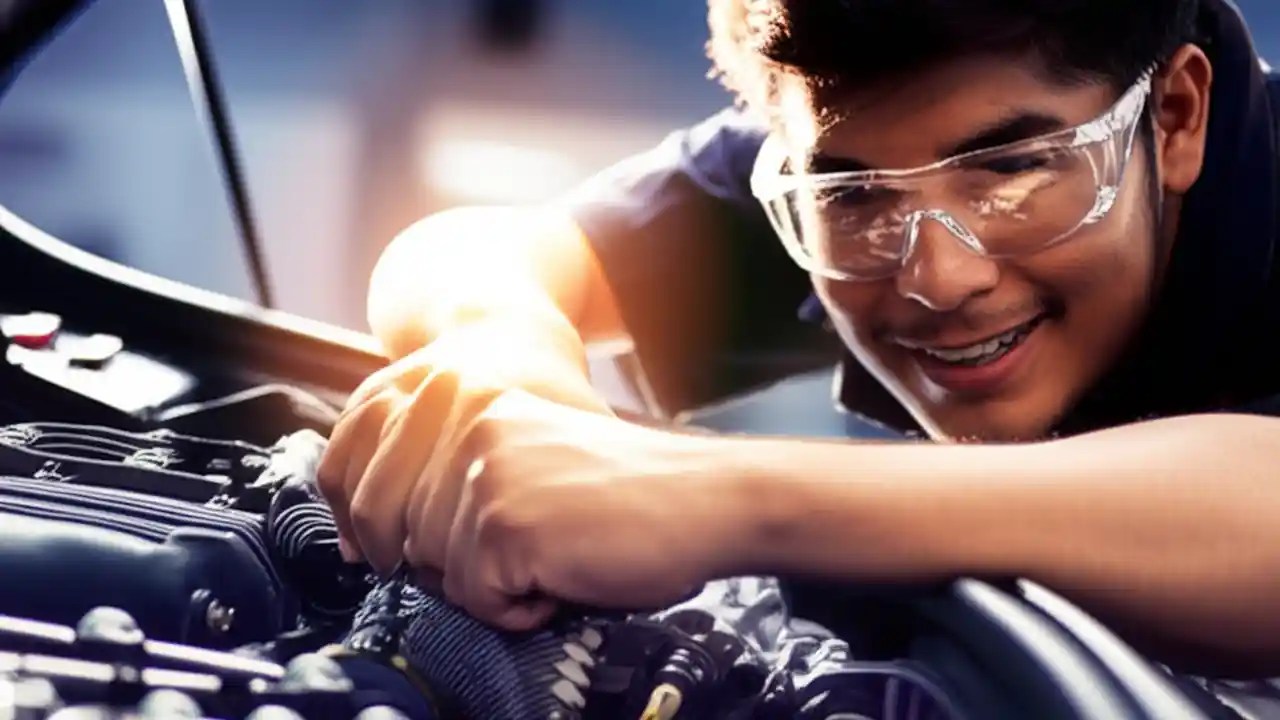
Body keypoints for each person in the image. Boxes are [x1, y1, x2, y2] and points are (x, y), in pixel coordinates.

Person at [317, 0, 1280, 676]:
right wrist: (503, 367)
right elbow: (464, 249)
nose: (939, 278)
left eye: (1014, 174)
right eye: (858, 198)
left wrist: (713, 495)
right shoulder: (839, 179)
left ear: (1175, 116)